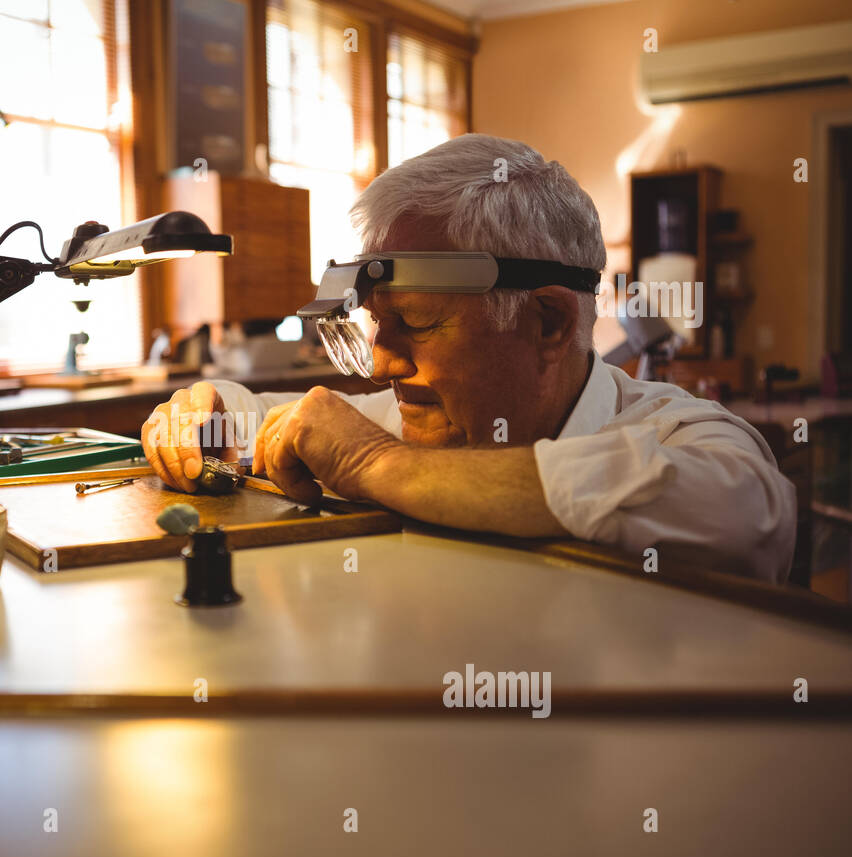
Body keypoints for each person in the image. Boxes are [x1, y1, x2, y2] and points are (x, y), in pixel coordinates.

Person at [141, 134, 796, 583]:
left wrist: (373, 463)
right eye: (376, 324)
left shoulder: (684, 439)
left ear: (547, 322)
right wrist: (209, 412)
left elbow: (744, 516)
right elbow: (271, 420)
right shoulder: (419, 412)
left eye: (416, 323)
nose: (380, 365)